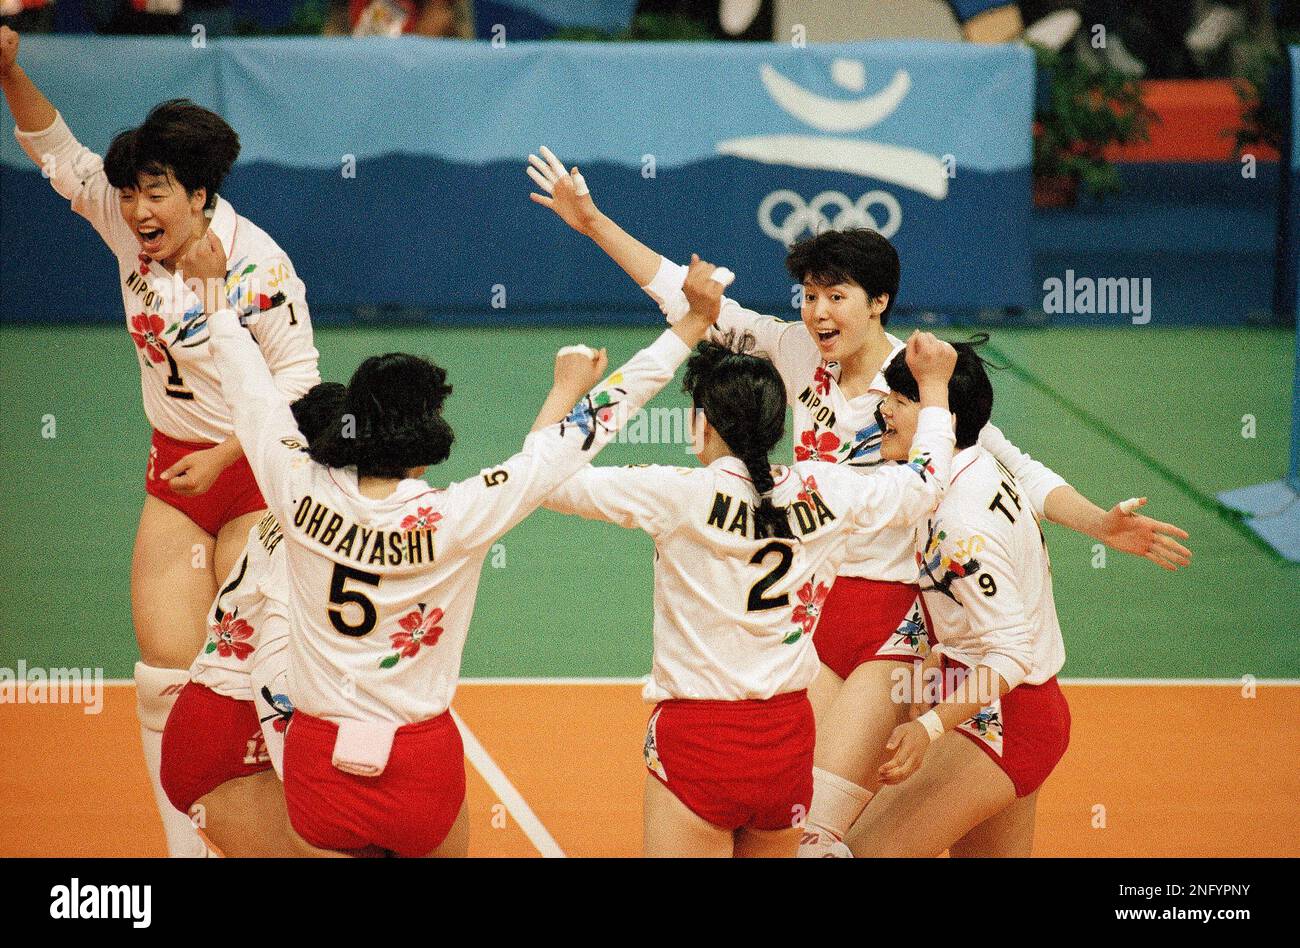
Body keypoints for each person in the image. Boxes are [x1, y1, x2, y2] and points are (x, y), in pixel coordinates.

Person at [525, 146, 1192, 856]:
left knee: (825, 833)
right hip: (810, 608)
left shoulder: (920, 384)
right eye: (809, 296)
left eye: (836, 296)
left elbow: (1014, 469)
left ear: (878, 303)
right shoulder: (791, 351)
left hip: (890, 625)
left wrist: (1099, 523)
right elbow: (691, 304)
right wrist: (593, 222)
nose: (818, 313)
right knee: (797, 814)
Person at [193, 233, 727, 857]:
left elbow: (251, 392)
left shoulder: (296, 490)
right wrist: (690, 325)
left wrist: (211, 294)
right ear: (426, 442)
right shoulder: (458, 517)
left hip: (319, 763)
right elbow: (587, 428)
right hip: (419, 765)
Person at [1, 26, 321, 856]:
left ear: (201, 195)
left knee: (261, 672)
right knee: (162, 682)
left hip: (258, 481)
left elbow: (304, 388)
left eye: (158, 192)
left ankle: (312, 833)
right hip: (174, 475)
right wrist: (8, 70)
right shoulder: (127, 229)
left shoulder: (262, 270)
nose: (139, 210)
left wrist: (231, 454)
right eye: (133, 193)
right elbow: (54, 151)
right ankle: (188, 851)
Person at [542, 327, 959, 857]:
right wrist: (935, 386)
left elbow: (542, 478)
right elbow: (927, 484)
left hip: (699, 741)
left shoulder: (678, 494)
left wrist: (566, 390)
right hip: (785, 744)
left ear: (702, 425)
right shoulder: (826, 488)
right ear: (775, 423)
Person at [844, 342, 1181, 856]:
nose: (883, 409)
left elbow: (1010, 652)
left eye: (902, 399)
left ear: (944, 419)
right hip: (999, 704)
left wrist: (928, 728)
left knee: (860, 853)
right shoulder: (974, 463)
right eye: (889, 394)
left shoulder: (960, 525)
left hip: (1004, 719)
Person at [160, 383, 345, 858]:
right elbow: (274, 674)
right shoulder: (304, 540)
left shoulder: (300, 510)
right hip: (226, 749)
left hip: (237, 732)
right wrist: (308, 786)